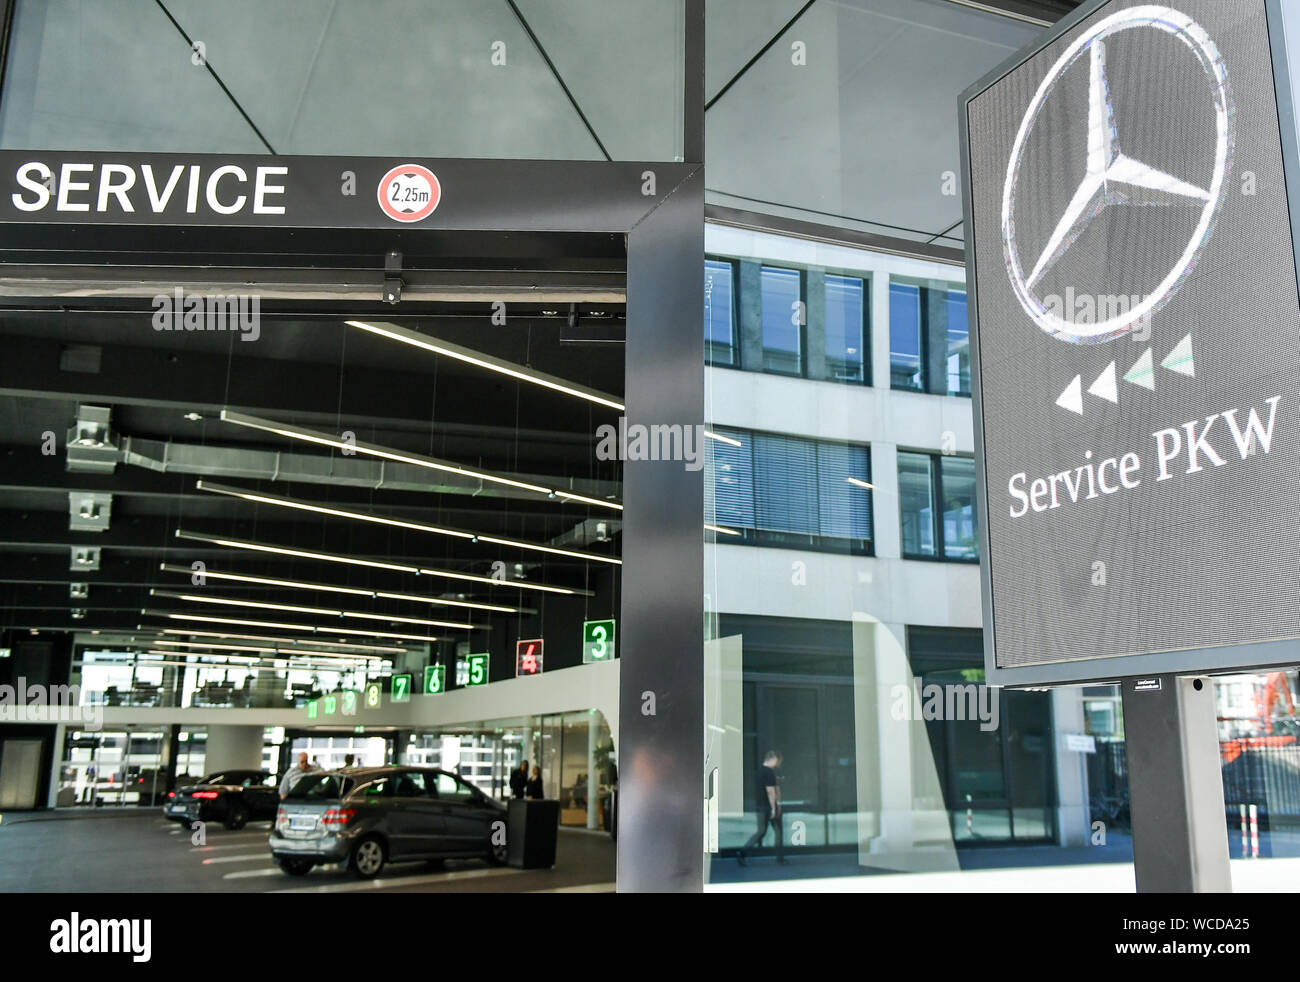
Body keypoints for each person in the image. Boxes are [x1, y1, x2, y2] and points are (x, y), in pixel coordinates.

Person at [736, 750, 784, 866]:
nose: (777, 764)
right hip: (769, 806)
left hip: (760, 806)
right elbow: (770, 791)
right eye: (777, 761)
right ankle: (780, 858)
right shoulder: (769, 772)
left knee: (761, 832)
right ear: (773, 759)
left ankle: (742, 852)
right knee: (778, 831)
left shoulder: (759, 772)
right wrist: (774, 808)